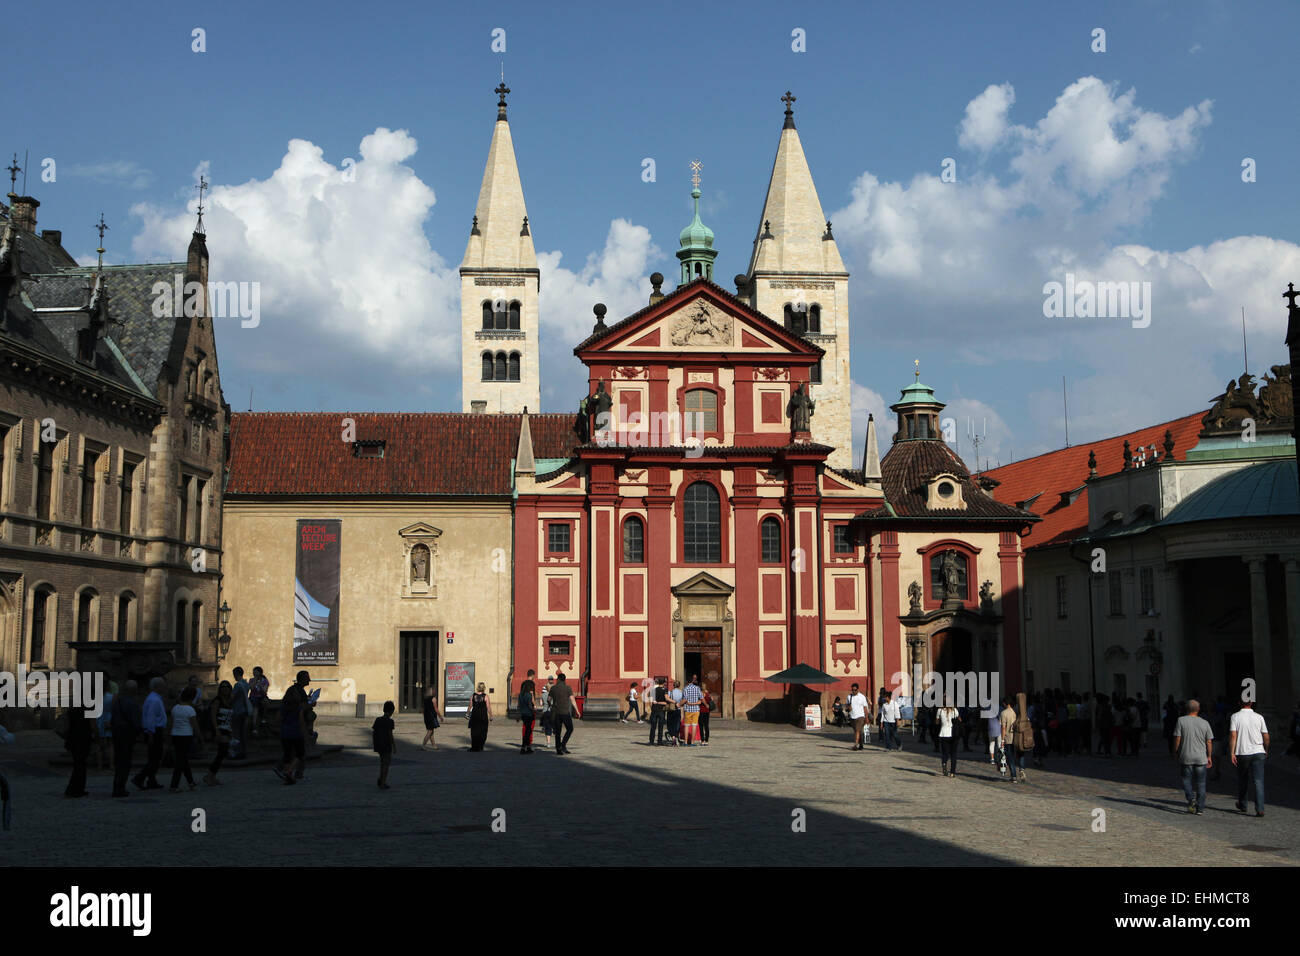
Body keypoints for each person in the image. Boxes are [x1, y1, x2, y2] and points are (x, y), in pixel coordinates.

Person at [1229, 699, 1269, 817]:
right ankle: (1260, 808)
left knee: (1243, 779)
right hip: (1258, 751)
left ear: (1239, 703)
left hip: (1243, 752)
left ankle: (1243, 804)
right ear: (1251, 703)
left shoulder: (1235, 716)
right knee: (1258, 781)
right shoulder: (1259, 717)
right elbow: (1266, 736)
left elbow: (1233, 735)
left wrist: (1232, 752)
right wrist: (1266, 749)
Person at [1173, 699, 1213, 814]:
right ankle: (1200, 808)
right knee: (1201, 783)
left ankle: (1191, 798)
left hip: (1186, 756)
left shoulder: (1181, 721)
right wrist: (1209, 756)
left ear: (1186, 709)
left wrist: (1175, 752)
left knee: (1186, 780)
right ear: (1198, 709)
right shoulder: (1205, 723)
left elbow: (1177, 738)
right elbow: (1209, 741)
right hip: (1201, 757)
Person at [274, 671, 311, 785]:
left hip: (285, 733)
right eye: (307, 678)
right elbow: (301, 721)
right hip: (296, 733)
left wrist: (281, 726)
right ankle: (290, 771)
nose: (309, 680)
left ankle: (287, 774)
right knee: (299, 754)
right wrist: (306, 734)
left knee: (287, 754)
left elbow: (277, 718)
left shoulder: (284, 707)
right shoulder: (298, 708)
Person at [132, 677, 168, 790]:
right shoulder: (154, 700)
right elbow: (150, 718)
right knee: (155, 758)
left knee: (154, 757)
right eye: (163, 685)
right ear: (157, 687)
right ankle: (139, 778)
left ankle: (151, 780)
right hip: (154, 731)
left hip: (154, 730)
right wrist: (151, 733)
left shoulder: (154, 698)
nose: (165, 687)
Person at [110, 680, 141, 797]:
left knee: (119, 762)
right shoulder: (133, 704)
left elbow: (113, 717)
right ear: (134, 690)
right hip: (127, 734)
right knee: (125, 762)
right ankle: (120, 788)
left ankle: (117, 786)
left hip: (117, 734)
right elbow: (136, 722)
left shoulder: (117, 702)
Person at [166, 686, 201, 792]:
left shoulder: (175, 708)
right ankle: (174, 785)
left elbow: (171, 723)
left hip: (175, 735)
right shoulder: (190, 710)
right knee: (181, 761)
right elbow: (195, 725)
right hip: (186, 735)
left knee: (182, 759)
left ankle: (191, 782)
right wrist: (200, 737)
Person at [204, 681, 234, 785]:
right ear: (220, 689)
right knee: (222, 753)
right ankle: (209, 775)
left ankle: (211, 775)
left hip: (227, 729)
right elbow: (213, 716)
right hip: (220, 729)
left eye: (227, 687)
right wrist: (216, 730)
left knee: (222, 753)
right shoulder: (217, 701)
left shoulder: (229, 701)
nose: (225, 689)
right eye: (223, 687)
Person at [63, 703, 93, 798]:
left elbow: (67, 724)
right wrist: (97, 736)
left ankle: (76, 788)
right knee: (81, 765)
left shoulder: (72, 708)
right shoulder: (88, 708)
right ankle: (75, 789)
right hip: (83, 739)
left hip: (73, 739)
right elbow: (93, 724)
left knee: (78, 764)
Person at [550, 673, 578, 754]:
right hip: (565, 712)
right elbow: (572, 700)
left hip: (556, 712)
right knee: (570, 729)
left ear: (558, 679)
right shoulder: (568, 688)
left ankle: (558, 749)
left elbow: (548, 699)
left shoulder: (553, 688)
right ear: (564, 680)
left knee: (558, 732)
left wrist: (551, 705)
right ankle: (563, 744)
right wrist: (577, 710)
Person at [1010, 692, 1034, 783]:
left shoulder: (1015, 708)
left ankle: (1014, 773)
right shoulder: (1025, 708)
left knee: (1015, 752)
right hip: (1024, 732)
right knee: (1022, 752)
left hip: (1017, 733)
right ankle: (1022, 768)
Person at [373, 701, 396, 788]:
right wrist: (394, 746)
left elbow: (374, 732)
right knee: (386, 764)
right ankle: (383, 782)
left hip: (379, 744)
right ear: (391, 711)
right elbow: (390, 735)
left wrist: (375, 743)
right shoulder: (390, 721)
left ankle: (381, 779)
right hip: (386, 745)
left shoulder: (378, 720)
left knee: (382, 763)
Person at [229, 667, 250, 759]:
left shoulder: (237, 685)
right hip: (244, 711)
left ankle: (237, 752)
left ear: (236, 674)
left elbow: (232, 697)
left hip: (237, 710)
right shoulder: (246, 684)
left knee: (236, 733)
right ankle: (243, 751)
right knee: (243, 733)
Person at [936, 697, 960, 777]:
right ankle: (952, 772)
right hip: (953, 734)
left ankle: (944, 763)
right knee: (953, 754)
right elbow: (960, 720)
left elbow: (937, 722)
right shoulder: (955, 710)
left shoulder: (940, 710)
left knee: (945, 753)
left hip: (943, 734)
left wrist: (941, 721)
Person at [95, 681, 116, 771]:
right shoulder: (112, 697)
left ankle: (99, 765)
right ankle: (111, 764)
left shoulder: (95, 698)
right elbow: (114, 710)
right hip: (109, 719)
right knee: (111, 744)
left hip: (99, 719)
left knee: (99, 745)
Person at [467, 682, 492, 752]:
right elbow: (488, 707)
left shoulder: (473, 696)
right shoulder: (486, 696)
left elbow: (470, 705)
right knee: (483, 731)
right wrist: (491, 715)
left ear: (478, 687)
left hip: (475, 715)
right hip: (483, 716)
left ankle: (474, 747)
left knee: (474, 731)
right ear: (484, 688)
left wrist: (467, 714)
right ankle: (480, 746)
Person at [681, 674, 704, 746]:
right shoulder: (697, 688)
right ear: (693, 680)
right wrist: (696, 703)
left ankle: (685, 742)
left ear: (687, 681)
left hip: (688, 709)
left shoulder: (685, 688)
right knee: (694, 725)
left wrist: (679, 704)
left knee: (686, 725)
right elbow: (701, 698)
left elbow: (684, 699)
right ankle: (692, 742)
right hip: (696, 709)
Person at [518, 671, 536, 755]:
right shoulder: (529, 694)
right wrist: (534, 708)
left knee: (525, 729)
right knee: (529, 730)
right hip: (529, 713)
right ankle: (525, 746)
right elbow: (530, 703)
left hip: (523, 712)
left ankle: (526, 746)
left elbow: (519, 704)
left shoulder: (520, 694)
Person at [998, 697, 1017, 778]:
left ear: (1004, 703)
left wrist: (1002, 740)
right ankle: (1017, 771)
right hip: (1015, 737)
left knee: (1009, 757)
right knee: (1012, 756)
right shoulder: (1014, 712)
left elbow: (1003, 727)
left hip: (1008, 738)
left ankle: (1013, 775)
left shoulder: (1003, 713)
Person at [847, 683, 869, 751]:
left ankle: (855, 745)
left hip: (860, 716)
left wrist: (866, 717)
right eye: (852, 690)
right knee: (857, 731)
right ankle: (861, 744)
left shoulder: (862, 697)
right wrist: (848, 708)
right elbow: (847, 705)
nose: (854, 691)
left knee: (857, 730)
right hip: (852, 716)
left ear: (858, 689)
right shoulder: (849, 697)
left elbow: (865, 707)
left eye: (855, 690)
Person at [249, 666, 270, 736]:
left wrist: (260, 685)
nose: (254, 673)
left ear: (260, 673)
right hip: (253, 697)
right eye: (253, 672)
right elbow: (251, 688)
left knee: (265, 702)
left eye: (256, 672)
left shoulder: (265, 681)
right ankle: (254, 726)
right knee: (255, 708)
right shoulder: (251, 680)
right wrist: (255, 681)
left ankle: (264, 718)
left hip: (262, 697)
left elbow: (264, 692)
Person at [649, 676, 668, 746]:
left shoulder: (653, 690)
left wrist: (652, 708)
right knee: (661, 726)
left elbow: (650, 701)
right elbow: (666, 700)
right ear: (663, 683)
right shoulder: (665, 690)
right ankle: (659, 741)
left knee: (653, 726)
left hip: (654, 709)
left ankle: (651, 741)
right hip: (661, 710)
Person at [665, 678, 683, 746]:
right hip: (678, 709)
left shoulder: (670, 692)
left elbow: (667, 699)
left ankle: (673, 737)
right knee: (677, 724)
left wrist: (673, 701)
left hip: (671, 709)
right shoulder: (681, 692)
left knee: (670, 724)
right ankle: (676, 737)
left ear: (673, 685)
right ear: (679, 685)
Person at [539, 676, 555, 749]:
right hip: (553, 711)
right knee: (555, 726)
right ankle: (558, 742)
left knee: (547, 727)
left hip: (545, 712)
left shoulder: (543, 694)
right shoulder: (554, 694)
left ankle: (548, 743)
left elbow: (541, 703)